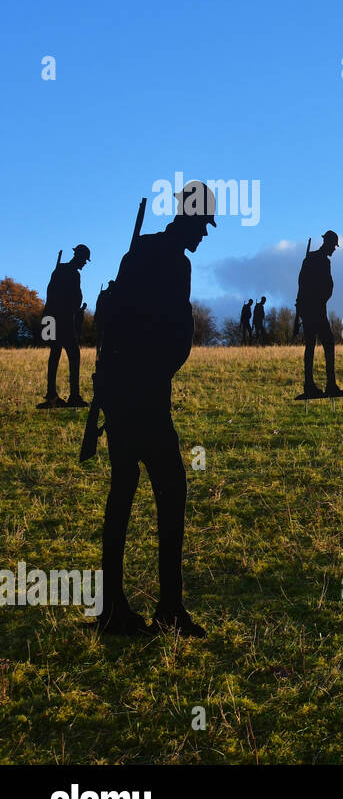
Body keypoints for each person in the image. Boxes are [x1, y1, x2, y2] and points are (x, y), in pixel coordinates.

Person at [91, 181, 215, 637]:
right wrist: (159, 370)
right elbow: (175, 334)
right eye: (202, 225)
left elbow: (111, 319)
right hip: (144, 394)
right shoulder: (174, 263)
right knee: (172, 490)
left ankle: (111, 609)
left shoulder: (137, 253)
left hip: (118, 390)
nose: (203, 235)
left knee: (121, 491)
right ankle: (169, 609)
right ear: (186, 219)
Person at [39, 243, 91, 408]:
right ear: (79, 257)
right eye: (84, 260)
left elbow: (50, 293)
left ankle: (51, 395)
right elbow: (75, 298)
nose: (84, 264)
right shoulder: (73, 274)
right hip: (63, 318)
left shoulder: (59, 270)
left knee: (54, 354)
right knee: (74, 355)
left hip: (52, 317)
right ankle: (73, 396)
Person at [295, 231, 343, 399]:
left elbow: (305, 284)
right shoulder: (318, 260)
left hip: (313, 307)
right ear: (328, 243)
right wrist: (315, 300)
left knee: (315, 345)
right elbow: (305, 284)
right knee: (321, 344)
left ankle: (319, 385)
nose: (334, 249)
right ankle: (319, 385)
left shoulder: (315, 259)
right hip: (313, 308)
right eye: (333, 246)